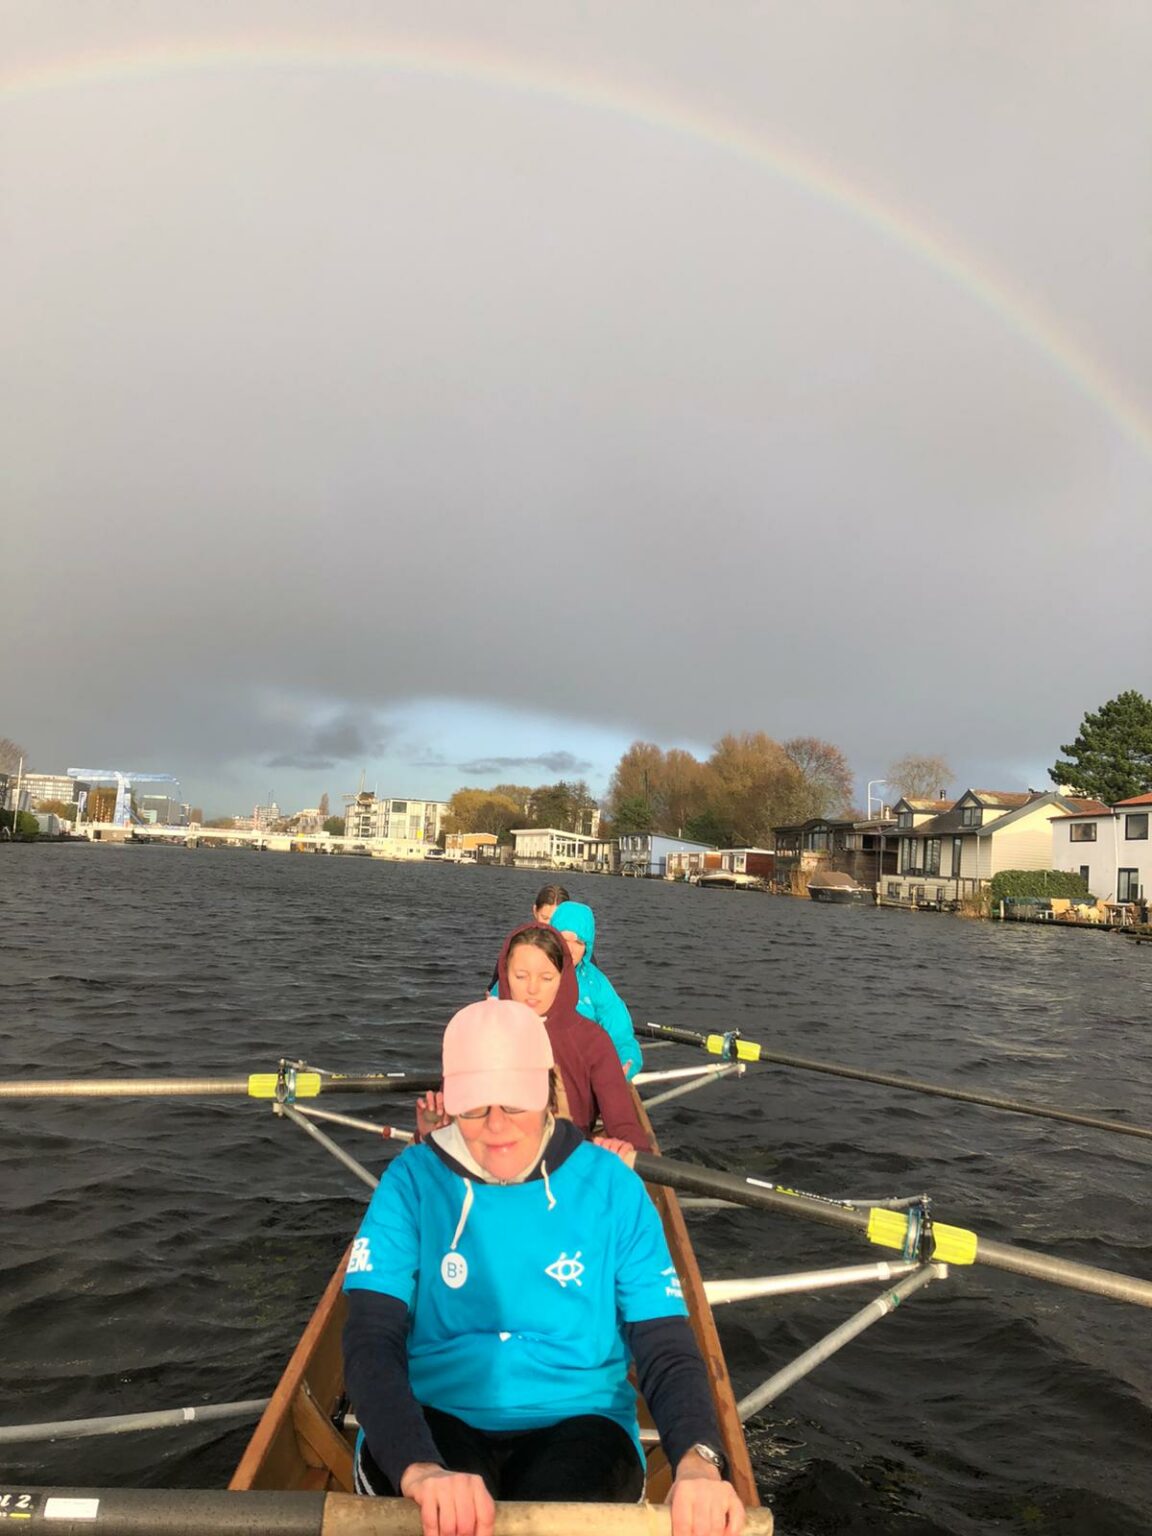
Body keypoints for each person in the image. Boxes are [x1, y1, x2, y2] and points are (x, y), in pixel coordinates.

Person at [343, 999, 746, 1536]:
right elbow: (371, 1338)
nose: (495, 1127)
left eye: (515, 1103)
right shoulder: (410, 1181)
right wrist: (420, 1469)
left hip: (579, 1421)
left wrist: (698, 1462)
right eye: (474, 1108)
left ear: (550, 1089)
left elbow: (663, 1345)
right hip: (435, 1413)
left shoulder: (613, 1187)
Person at [497, 923, 650, 1152]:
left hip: (568, 1158)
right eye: (520, 976)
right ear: (505, 975)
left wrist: (630, 1149)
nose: (532, 989)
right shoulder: (482, 1032)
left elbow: (624, 1126)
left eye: (546, 978)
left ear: (563, 978)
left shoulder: (593, 1041)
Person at [548, 900, 643, 1080]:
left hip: (579, 1072)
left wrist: (624, 1065)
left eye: (578, 942)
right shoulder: (528, 968)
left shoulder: (596, 984)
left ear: (587, 948)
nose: (570, 949)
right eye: (564, 939)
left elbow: (621, 1038)